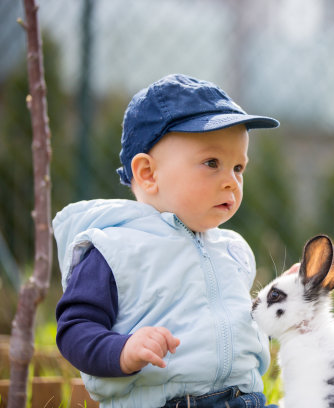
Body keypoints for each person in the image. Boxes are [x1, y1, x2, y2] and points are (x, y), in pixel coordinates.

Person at [53, 74, 280, 408]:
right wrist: (123, 350)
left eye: (238, 167)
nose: (232, 181)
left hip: (247, 399)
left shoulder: (233, 250)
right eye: (212, 163)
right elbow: (74, 328)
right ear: (148, 173)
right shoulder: (114, 249)